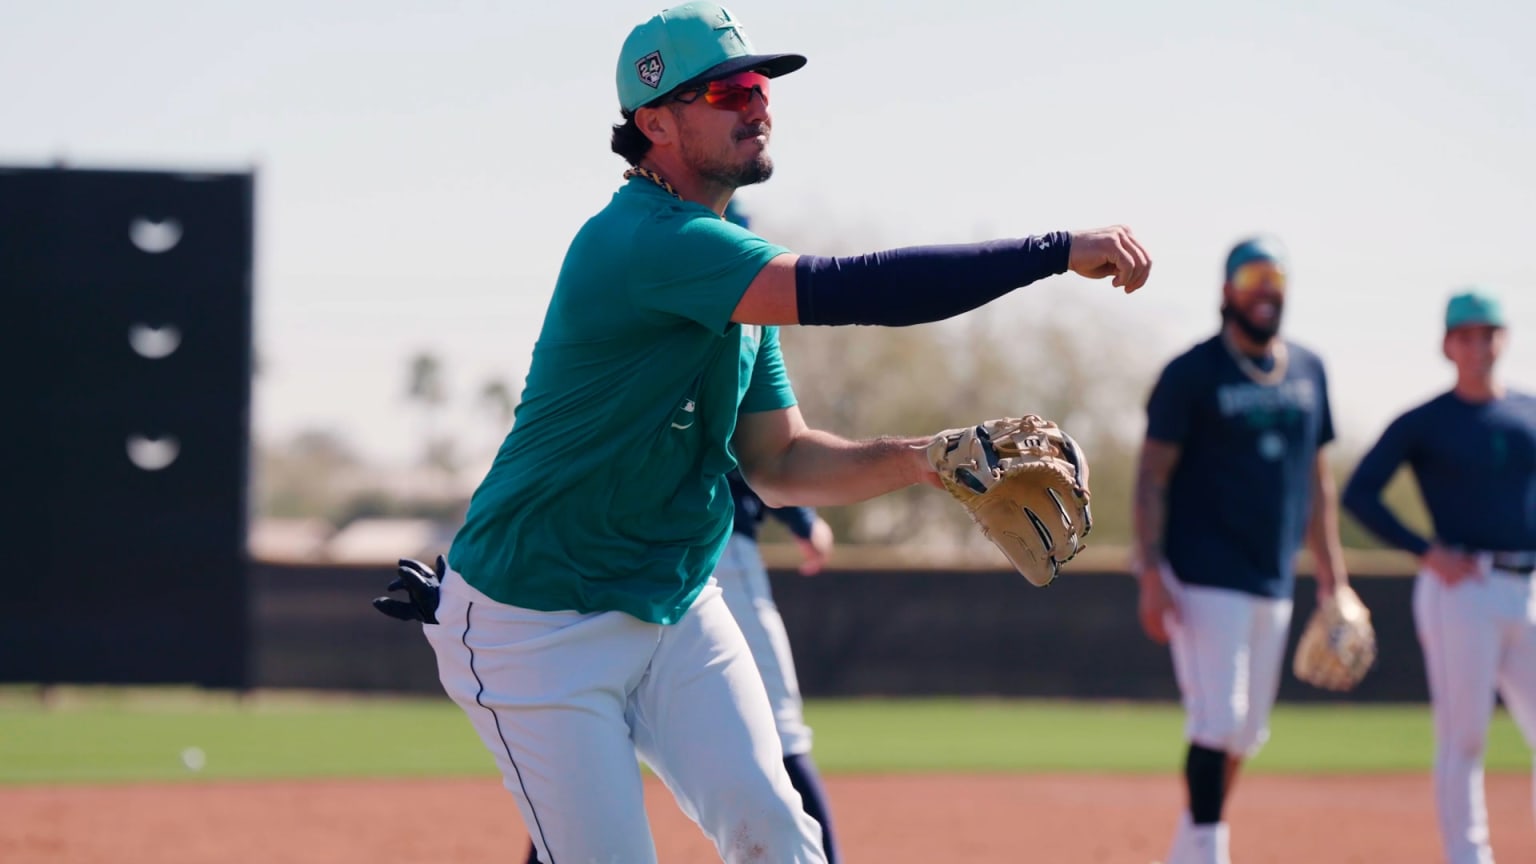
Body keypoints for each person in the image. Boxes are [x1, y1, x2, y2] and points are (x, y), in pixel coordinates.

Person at [411, 2, 1150, 861]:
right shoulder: (646, 242)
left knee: (781, 841)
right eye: (727, 89)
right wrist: (1055, 249)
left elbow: (780, 460)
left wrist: (923, 462)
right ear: (654, 121)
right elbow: (860, 289)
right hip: (537, 621)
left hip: (676, 601)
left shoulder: (725, 267)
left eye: (760, 85)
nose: (757, 103)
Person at [1132, 236, 1349, 864]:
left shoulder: (1309, 369)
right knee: (1217, 722)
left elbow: (1318, 479)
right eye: (1253, 276)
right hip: (1202, 574)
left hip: (1273, 576)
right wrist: (1149, 571)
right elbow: (1151, 477)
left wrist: (1335, 580)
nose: (1266, 290)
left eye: (1276, 277)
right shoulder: (1192, 372)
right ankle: (1211, 851)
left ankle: (1188, 850)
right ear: (1227, 290)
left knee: (1248, 732)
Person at [522, 468, 839, 864]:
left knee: (590, 724)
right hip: (705, 543)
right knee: (780, 735)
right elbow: (754, 433)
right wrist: (804, 520)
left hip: (596, 547)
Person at [1341, 289, 1536, 864]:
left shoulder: (1528, 411)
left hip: (1528, 587)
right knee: (1465, 737)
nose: (1479, 346)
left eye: (1488, 334)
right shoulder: (1426, 422)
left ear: (1503, 339)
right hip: (1462, 589)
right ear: (1448, 345)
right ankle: (1468, 857)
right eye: (1467, 335)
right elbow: (1360, 493)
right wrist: (1425, 551)